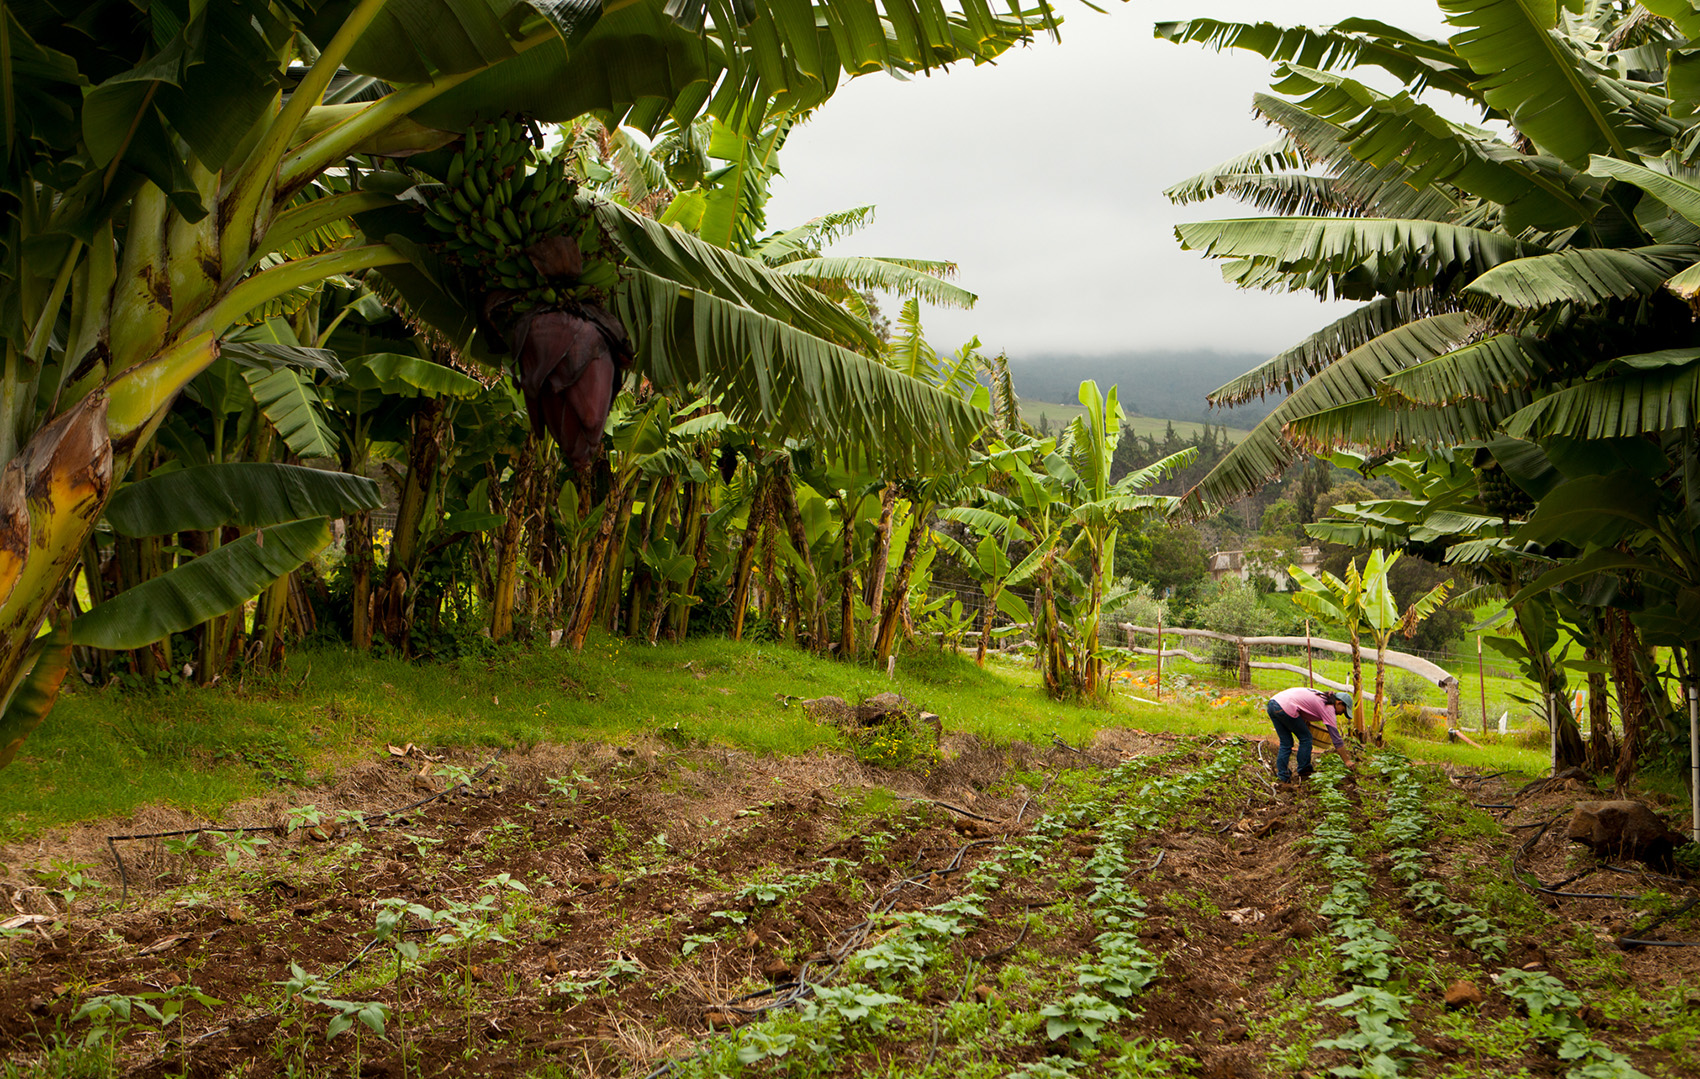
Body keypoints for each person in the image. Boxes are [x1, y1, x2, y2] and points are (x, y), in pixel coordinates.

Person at [1265, 686, 1356, 782]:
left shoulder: (1322, 697)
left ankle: (1282, 776)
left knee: (1286, 742)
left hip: (1273, 703)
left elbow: (1301, 704)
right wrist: (1347, 761)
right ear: (1339, 703)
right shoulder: (1329, 708)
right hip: (1285, 706)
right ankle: (1304, 771)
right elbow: (1336, 738)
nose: (1341, 714)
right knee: (1306, 738)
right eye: (1343, 711)